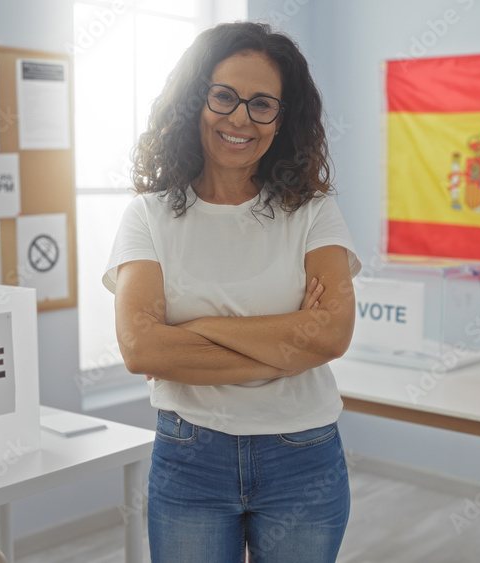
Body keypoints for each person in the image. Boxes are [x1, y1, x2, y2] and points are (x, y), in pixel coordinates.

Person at [102, 21, 360, 563]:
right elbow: (141, 350)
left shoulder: (313, 213)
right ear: (195, 99)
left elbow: (331, 334)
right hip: (190, 453)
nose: (240, 117)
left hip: (303, 455)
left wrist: (191, 332)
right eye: (224, 96)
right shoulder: (148, 216)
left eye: (262, 103)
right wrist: (286, 347)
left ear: (282, 120)